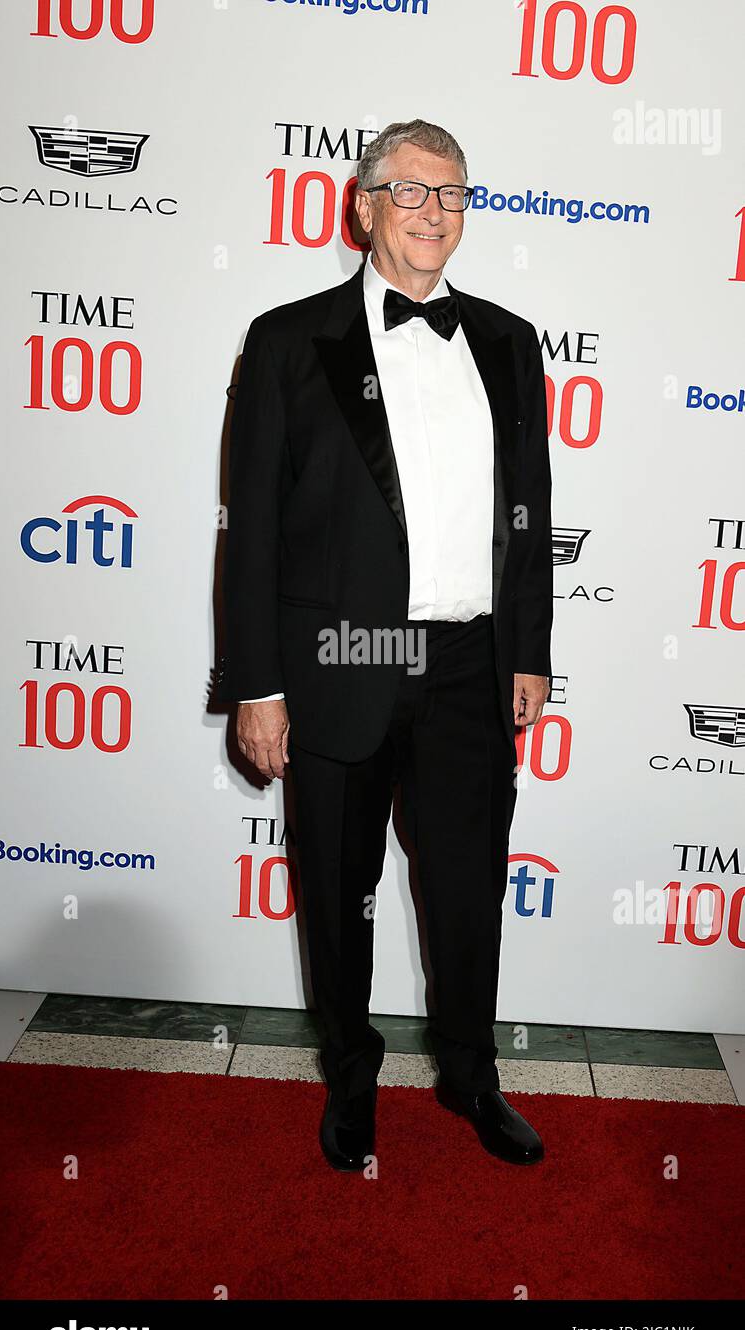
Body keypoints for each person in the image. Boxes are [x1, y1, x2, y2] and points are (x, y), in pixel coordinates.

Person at [218, 119, 553, 1172]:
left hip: (468, 665)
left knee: (466, 889)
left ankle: (470, 1074)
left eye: (453, 194)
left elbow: (530, 517)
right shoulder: (286, 341)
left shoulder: (507, 340)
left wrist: (529, 651)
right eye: (410, 191)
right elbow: (253, 531)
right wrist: (257, 684)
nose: (433, 213)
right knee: (338, 886)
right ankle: (351, 1080)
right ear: (362, 205)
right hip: (339, 660)